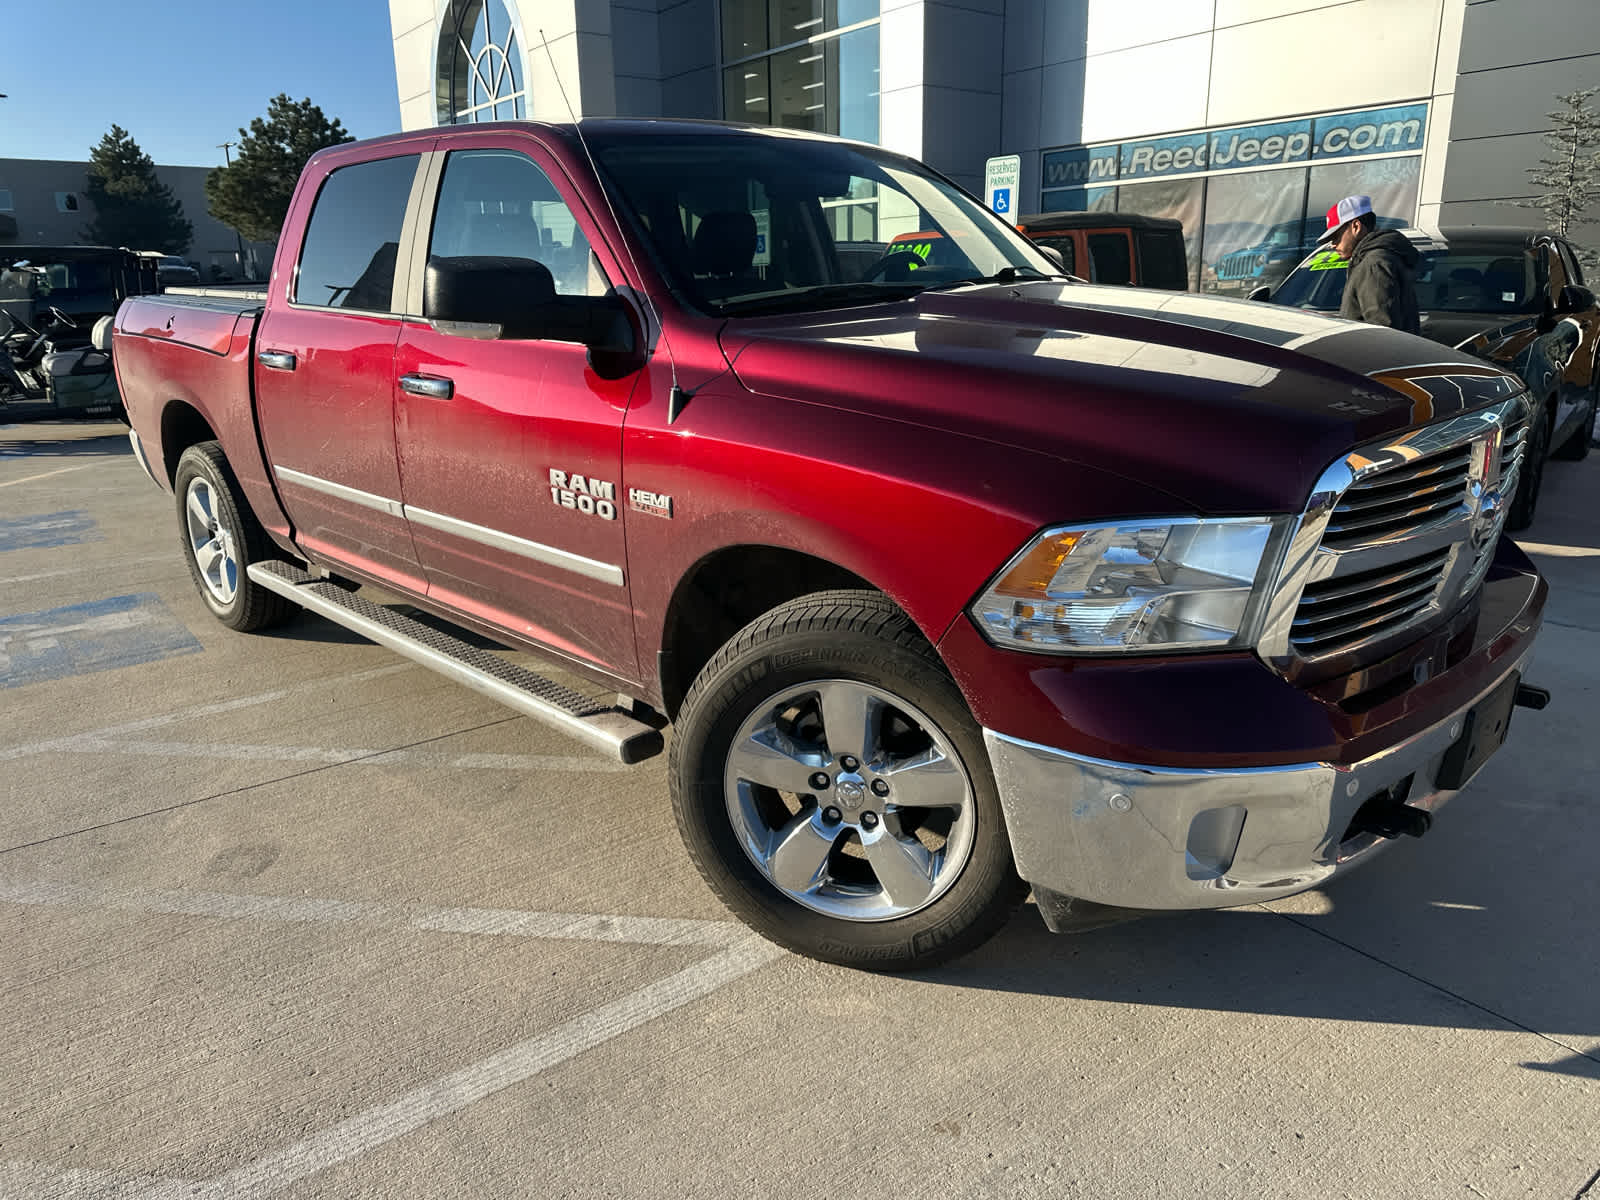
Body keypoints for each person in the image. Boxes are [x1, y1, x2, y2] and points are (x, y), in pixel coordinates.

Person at [1317, 194, 1421, 334]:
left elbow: (1381, 333)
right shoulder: (1377, 259)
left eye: (1336, 236)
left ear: (1356, 226)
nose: (1332, 244)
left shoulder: (1373, 263)